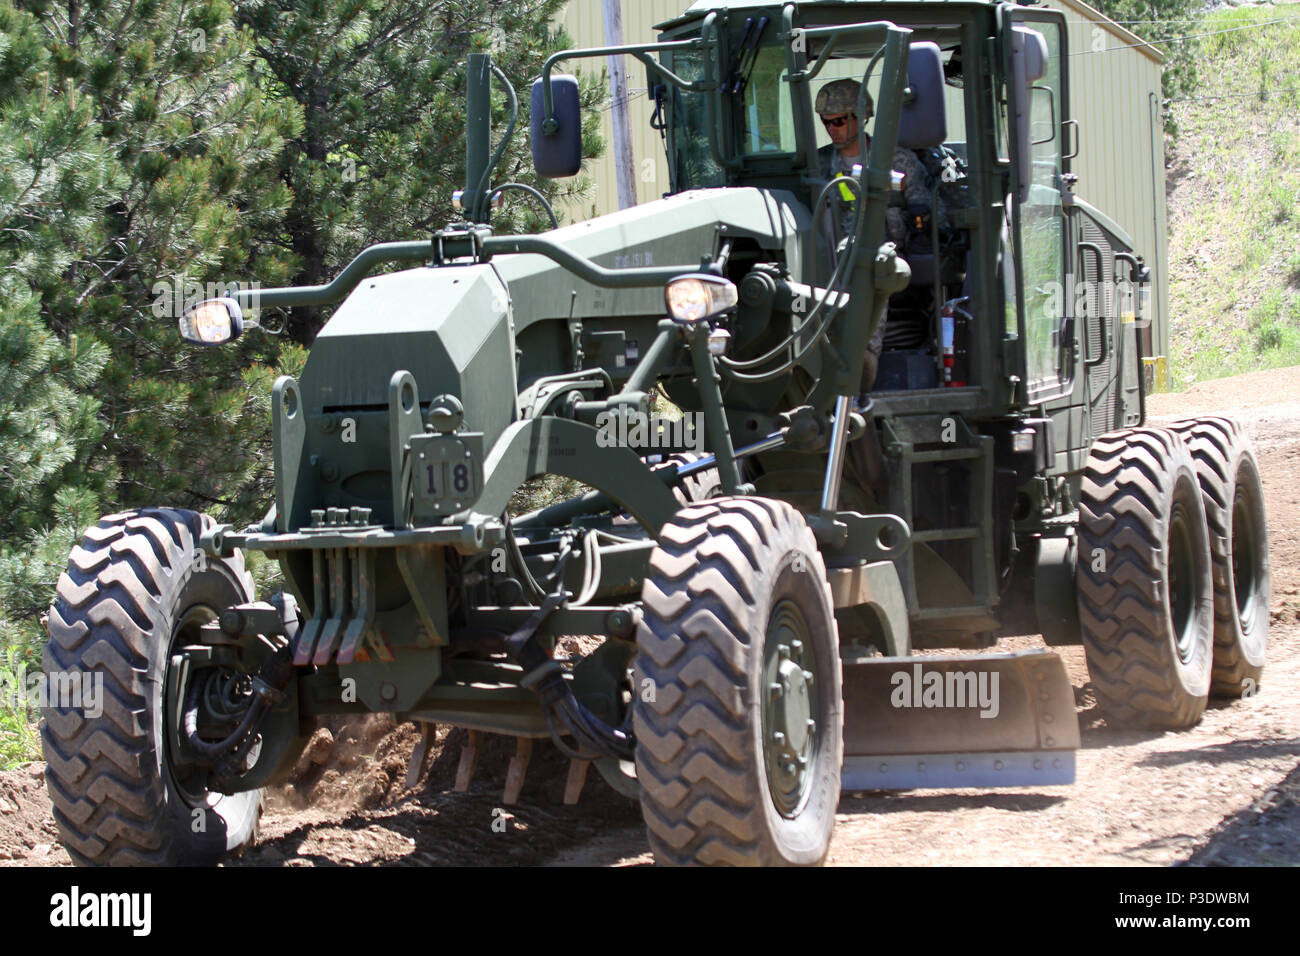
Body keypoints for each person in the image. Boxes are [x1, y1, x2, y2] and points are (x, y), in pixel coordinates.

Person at [815, 77, 928, 388]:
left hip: (877, 264)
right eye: (826, 122)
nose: (831, 128)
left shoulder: (897, 160)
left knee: (863, 326)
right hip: (827, 263)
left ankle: (860, 385)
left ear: (860, 117)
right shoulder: (819, 163)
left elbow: (927, 215)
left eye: (838, 121)